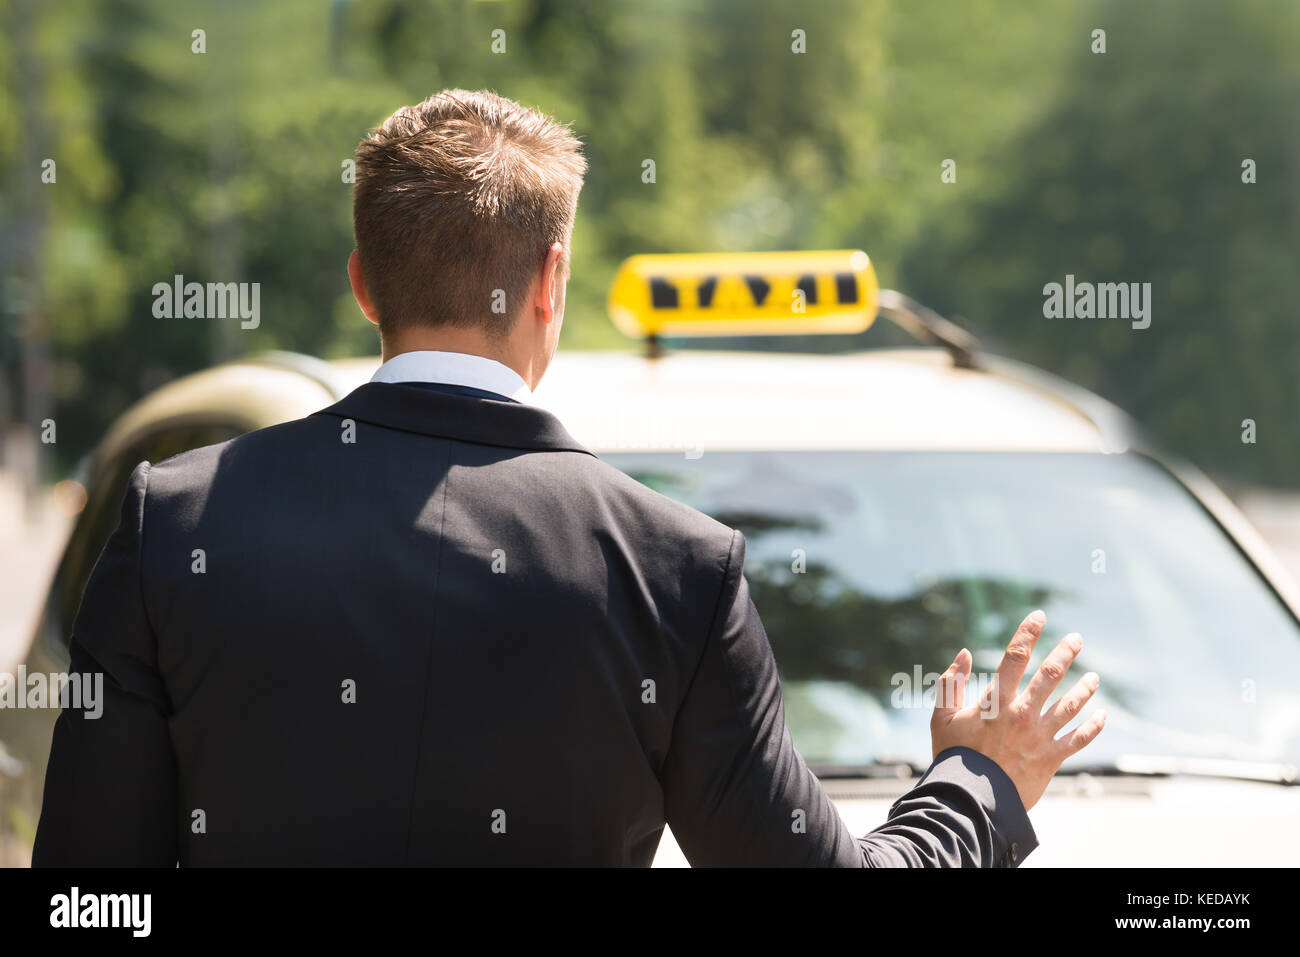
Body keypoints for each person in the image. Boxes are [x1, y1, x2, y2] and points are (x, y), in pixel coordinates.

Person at [33, 89, 1104, 866]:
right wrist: (980, 782)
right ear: (553, 281)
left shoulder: (173, 522)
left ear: (364, 282)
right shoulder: (674, 567)